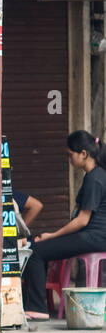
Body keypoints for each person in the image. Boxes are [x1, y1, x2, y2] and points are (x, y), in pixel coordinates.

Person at [22, 131, 106, 316]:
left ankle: (36, 308)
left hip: (93, 237)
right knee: (38, 246)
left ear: (83, 153)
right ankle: (38, 306)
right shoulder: (95, 175)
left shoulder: (95, 179)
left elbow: (82, 220)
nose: (69, 159)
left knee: (35, 251)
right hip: (92, 236)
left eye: (70, 155)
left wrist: (52, 235)